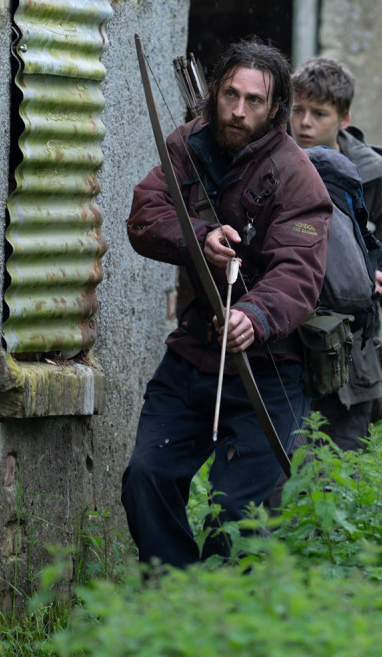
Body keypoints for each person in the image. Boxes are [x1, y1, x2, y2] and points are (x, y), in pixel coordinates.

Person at [122, 38, 333, 568]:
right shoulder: (186, 145)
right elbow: (146, 215)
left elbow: (298, 272)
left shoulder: (296, 176)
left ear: (276, 108)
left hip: (270, 369)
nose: (238, 111)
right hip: (195, 351)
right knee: (147, 476)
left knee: (235, 516)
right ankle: (170, 604)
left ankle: (220, 621)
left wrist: (253, 316)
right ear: (215, 93)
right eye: (230, 95)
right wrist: (196, 235)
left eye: (254, 101)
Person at [289, 56, 382, 451]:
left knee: (341, 474)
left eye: (319, 114)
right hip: (285, 337)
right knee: (277, 483)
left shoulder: (372, 175)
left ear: (343, 117)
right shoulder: (274, 163)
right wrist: (350, 271)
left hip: (352, 348)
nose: (305, 123)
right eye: (298, 109)